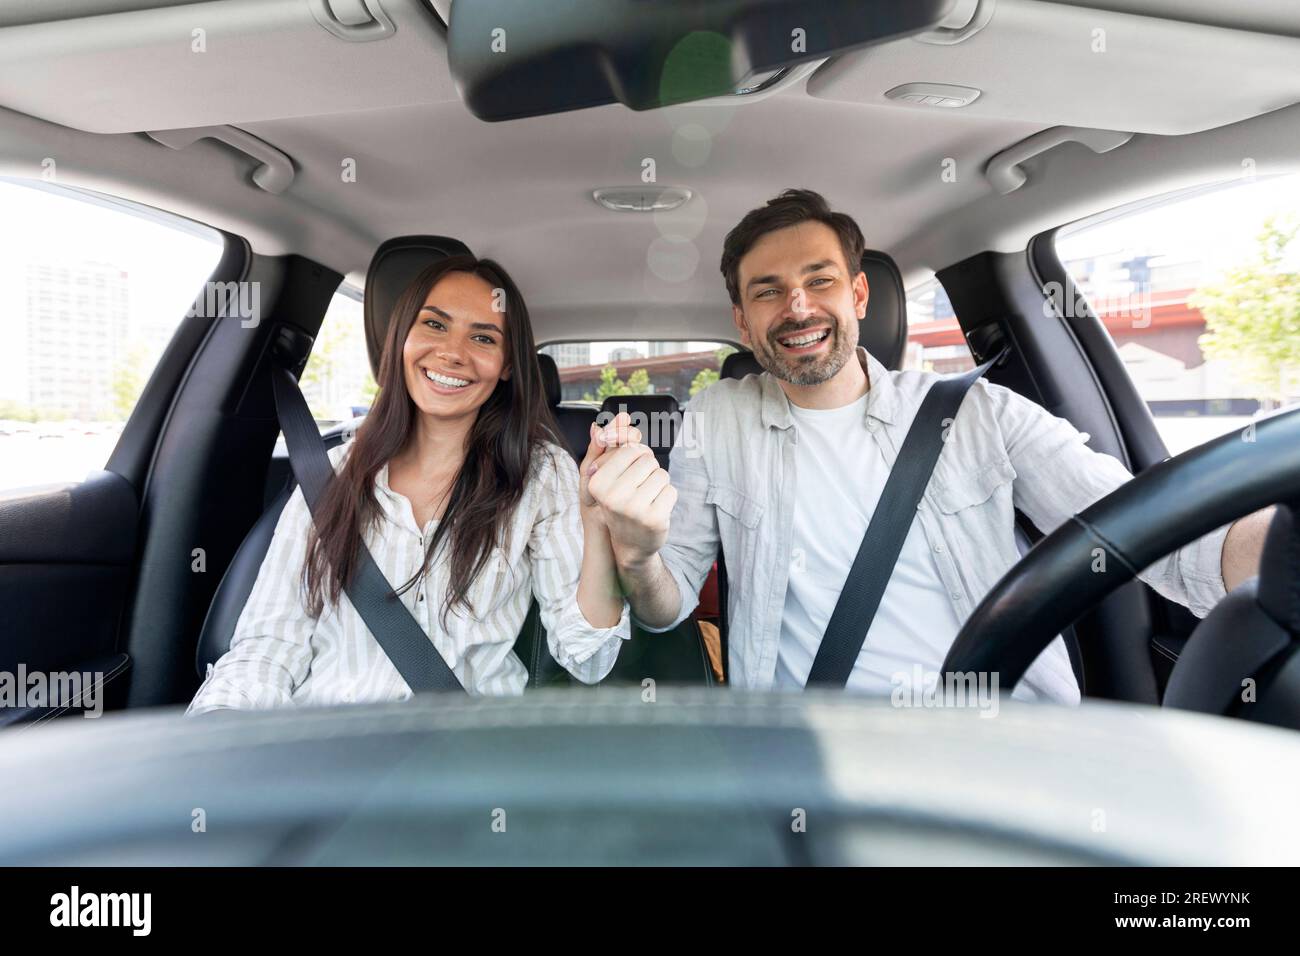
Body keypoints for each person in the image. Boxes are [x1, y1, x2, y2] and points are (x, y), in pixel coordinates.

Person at [585, 189, 1276, 703]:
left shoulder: (977, 411)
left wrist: (1280, 546)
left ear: (858, 294)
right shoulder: (715, 423)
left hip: (998, 746)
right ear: (743, 319)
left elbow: (1145, 524)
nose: (796, 307)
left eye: (818, 280)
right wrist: (639, 556)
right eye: (769, 292)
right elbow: (663, 606)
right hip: (813, 751)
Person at [188, 254, 633, 713]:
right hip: (325, 755)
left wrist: (597, 524)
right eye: (435, 325)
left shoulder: (542, 475)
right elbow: (267, 648)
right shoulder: (329, 475)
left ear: (506, 365)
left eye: (483, 337)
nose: (453, 353)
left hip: (462, 757)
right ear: (401, 337)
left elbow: (589, 658)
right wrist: (219, 734)